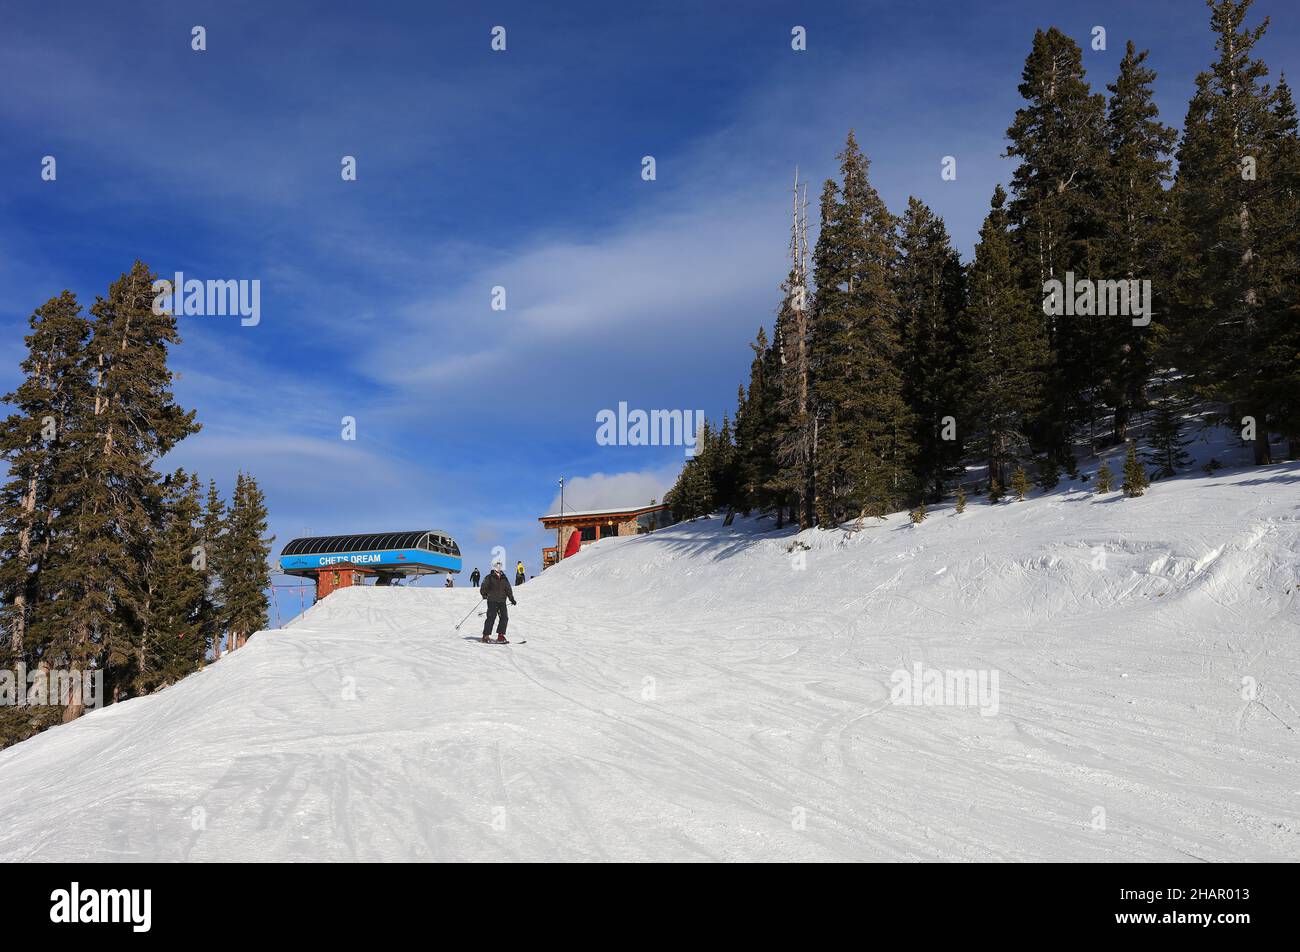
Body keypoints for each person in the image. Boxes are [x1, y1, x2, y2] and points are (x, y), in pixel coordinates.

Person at [479, 561, 516, 643]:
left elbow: (508, 589)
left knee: (504, 617)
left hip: (502, 601)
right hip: (492, 600)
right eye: (497, 566)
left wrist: (512, 599)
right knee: (491, 617)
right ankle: (485, 636)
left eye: (500, 566)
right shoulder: (489, 577)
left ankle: (501, 636)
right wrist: (484, 594)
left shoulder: (504, 578)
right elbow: (483, 587)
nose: (499, 567)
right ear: (494, 567)